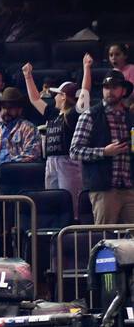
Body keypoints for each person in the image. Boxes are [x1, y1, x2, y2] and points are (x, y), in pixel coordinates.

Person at [70, 71, 133, 225]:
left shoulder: (130, 117)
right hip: (104, 189)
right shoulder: (90, 115)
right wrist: (104, 152)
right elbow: (74, 151)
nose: (109, 91)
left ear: (123, 90)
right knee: (105, 237)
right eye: (106, 87)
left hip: (130, 187)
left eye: (114, 87)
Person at [22, 66, 81, 216]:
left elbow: (84, 94)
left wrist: (86, 68)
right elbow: (35, 99)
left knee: (70, 199)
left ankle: (72, 226)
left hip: (67, 161)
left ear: (63, 96)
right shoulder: (53, 114)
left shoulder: (73, 115)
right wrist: (28, 76)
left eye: (56, 94)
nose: (53, 97)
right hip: (51, 160)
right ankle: (56, 229)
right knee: (52, 198)